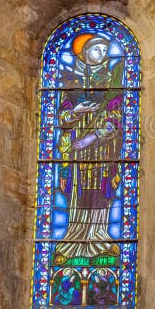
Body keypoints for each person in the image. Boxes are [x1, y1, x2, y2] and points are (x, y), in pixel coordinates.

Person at [53, 33, 124, 264]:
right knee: (78, 191)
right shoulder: (70, 81)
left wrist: (93, 137)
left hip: (101, 150)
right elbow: (61, 118)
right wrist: (76, 112)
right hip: (75, 149)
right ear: (84, 53)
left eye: (105, 50)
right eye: (97, 50)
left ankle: (100, 237)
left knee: (101, 191)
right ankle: (74, 239)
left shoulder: (110, 82)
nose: (102, 55)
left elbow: (116, 119)